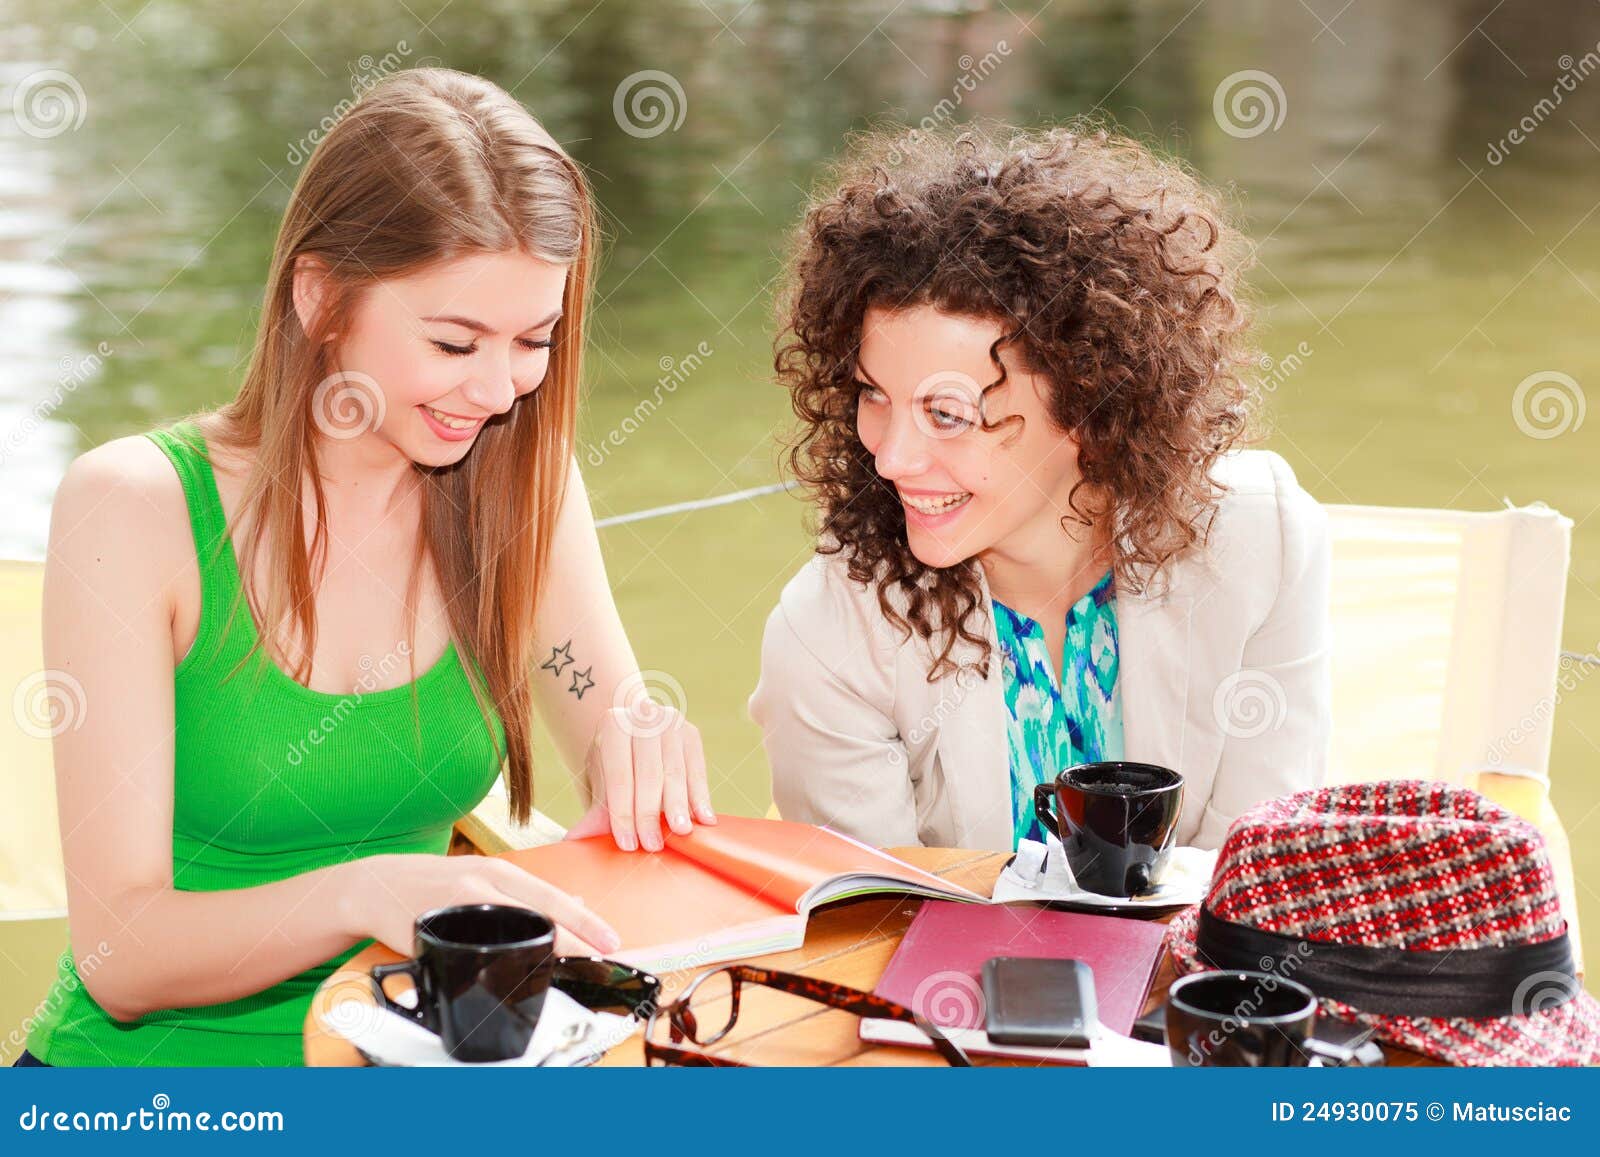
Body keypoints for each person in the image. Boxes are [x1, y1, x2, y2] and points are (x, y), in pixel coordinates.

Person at [20, 67, 714, 1068]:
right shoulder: (134, 508)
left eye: (534, 341)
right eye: (453, 339)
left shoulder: (525, 487)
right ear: (321, 297)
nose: (497, 387)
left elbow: (612, 736)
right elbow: (121, 953)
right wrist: (362, 891)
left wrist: (640, 749)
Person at [751, 124, 1330, 854]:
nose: (891, 456)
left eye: (946, 413)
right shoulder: (827, 632)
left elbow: (1251, 878)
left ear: (1091, 405)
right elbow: (878, 920)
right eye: (873, 394)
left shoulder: (1264, 540)